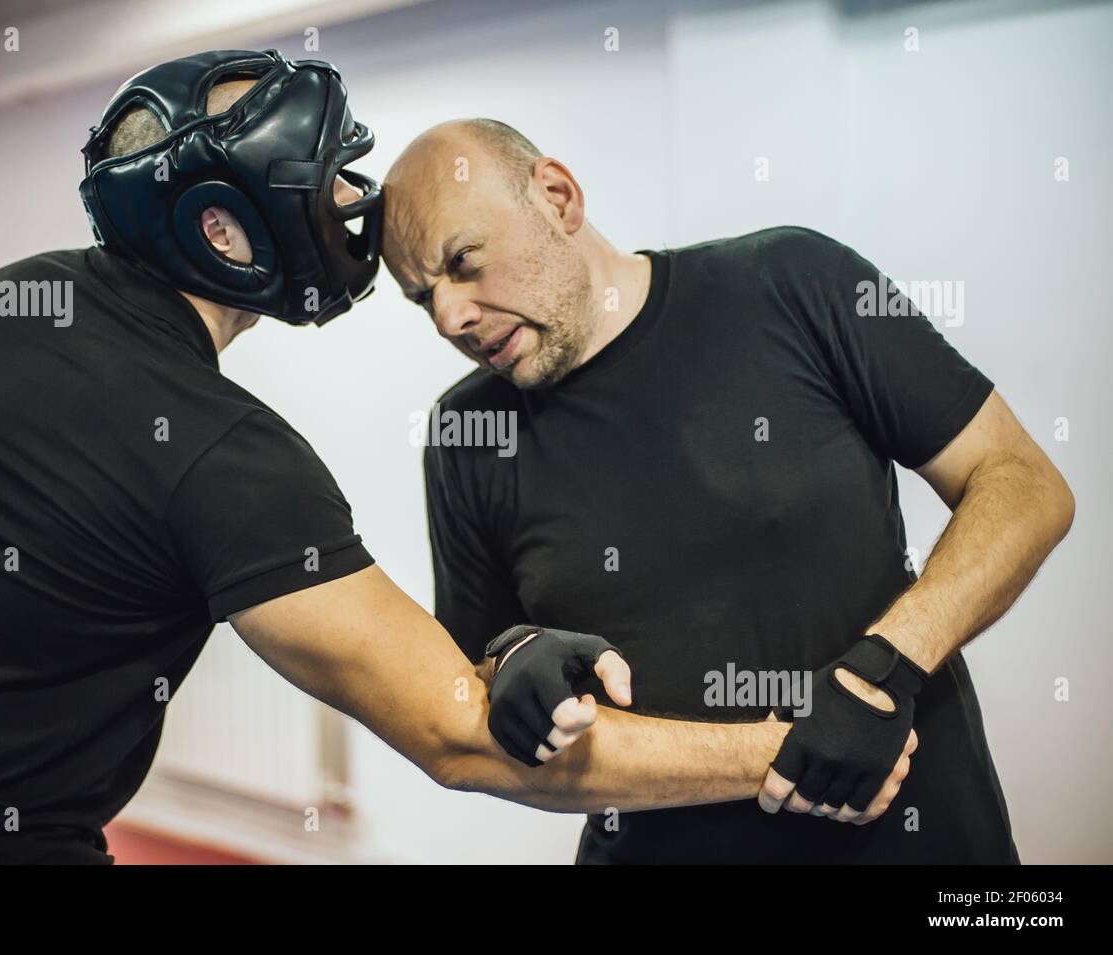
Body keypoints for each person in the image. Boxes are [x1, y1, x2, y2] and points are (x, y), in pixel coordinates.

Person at [0, 51, 912, 865]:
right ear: (227, 230)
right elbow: (456, 735)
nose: (356, 203)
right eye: (332, 177)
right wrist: (787, 748)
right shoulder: (218, 454)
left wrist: (510, 644)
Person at [380, 118, 1075, 864]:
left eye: (463, 262)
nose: (452, 316)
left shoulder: (792, 282)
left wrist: (890, 662)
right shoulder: (467, 433)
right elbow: (477, 689)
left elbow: (1022, 482)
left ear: (557, 196)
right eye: (423, 298)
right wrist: (513, 654)